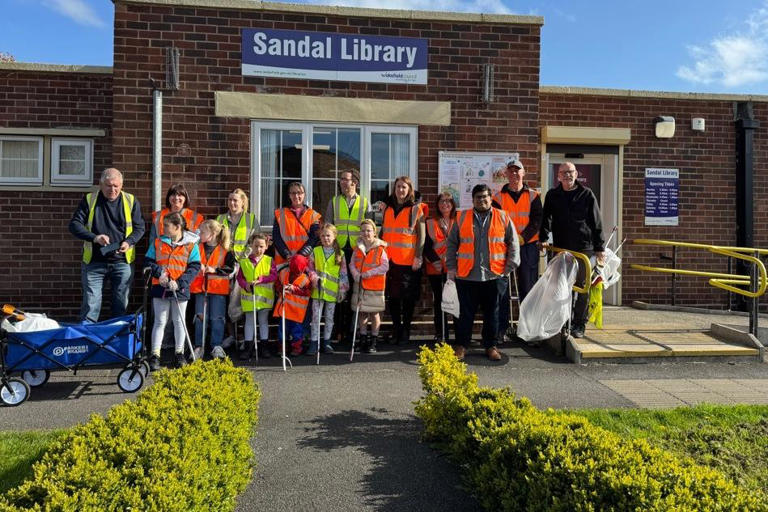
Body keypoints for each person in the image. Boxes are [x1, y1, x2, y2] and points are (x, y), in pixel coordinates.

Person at [446, 184, 520, 361]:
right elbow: (451, 244)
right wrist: (452, 268)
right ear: (473, 200)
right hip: (467, 275)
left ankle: (490, 346)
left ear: (490, 198)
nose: (482, 200)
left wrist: (508, 268)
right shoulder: (461, 217)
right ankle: (461, 346)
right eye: (478, 197)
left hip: (494, 275)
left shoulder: (503, 217)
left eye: (485, 196)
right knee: (464, 313)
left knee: (492, 313)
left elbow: (514, 244)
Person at [69, 167, 146, 323]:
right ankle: (87, 339)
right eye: (109, 185)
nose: (113, 189)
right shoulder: (89, 200)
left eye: (116, 186)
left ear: (122, 185)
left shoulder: (131, 201)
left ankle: (117, 340)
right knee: (91, 305)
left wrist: (128, 242)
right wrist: (95, 238)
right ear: (101, 184)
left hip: (122, 262)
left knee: (121, 305)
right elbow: (74, 225)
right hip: (94, 262)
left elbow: (140, 228)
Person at [539, 161, 605, 339]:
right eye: (564, 172)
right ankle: (562, 322)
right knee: (561, 287)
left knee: (582, 288)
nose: (567, 175)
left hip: (585, 249)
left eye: (571, 172)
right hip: (562, 248)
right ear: (558, 176)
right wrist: (543, 238)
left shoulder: (586, 194)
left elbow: (596, 221)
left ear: (576, 174)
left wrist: (600, 248)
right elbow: (546, 218)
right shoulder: (553, 195)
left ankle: (579, 324)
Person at [492, 159, 543, 340]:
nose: (514, 174)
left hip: (528, 246)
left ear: (523, 173)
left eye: (517, 171)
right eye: (511, 171)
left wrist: (523, 238)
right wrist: (511, 240)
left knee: (528, 289)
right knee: (501, 289)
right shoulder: (497, 197)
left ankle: (527, 331)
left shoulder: (534, 196)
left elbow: (537, 221)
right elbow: (496, 222)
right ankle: (501, 330)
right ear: (506, 174)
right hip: (505, 247)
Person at [145, 212, 201, 369]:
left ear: (177, 227)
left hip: (179, 289)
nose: (163, 228)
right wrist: (159, 273)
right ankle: (155, 355)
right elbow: (148, 261)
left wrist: (180, 283)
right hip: (160, 287)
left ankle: (179, 353)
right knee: (160, 321)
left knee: (179, 321)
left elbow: (194, 266)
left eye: (166, 225)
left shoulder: (191, 245)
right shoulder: (158, 242)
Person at [324, 169, 371, 343]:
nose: (343, 182)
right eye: (341, 179)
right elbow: (328, 227)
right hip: (338, 251)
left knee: (354, 292)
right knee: (337, 291)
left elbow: (370, 229)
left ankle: (352, 332)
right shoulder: (334, 202)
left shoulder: (364, 203)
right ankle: (338, 330)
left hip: (357, 252)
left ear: (355, 182)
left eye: (346, 179)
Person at [380, 176, 426, 344]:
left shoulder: (416, 209)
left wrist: (418, 257)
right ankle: (396, 330)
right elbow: (382, 232)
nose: (400, 190)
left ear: (409, 190)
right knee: (393, 298)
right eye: (398, 187)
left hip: (408, 262)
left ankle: (405, 332)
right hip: (389, 261)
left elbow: (422, 236)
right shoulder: (387, 208)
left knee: (407, 299)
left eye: (404, 187)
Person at [190, 220, 236, 360]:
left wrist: (214, 270)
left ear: (213, 234)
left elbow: (230, 269)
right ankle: (199, 346)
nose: (200, 234)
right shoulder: (196, 248)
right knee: (200, 317)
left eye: (203, 232)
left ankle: (216, 345)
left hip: (217, 289)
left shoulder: (226, 250)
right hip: (200, 288)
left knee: (218, 318)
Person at [308, 224, 349, 355]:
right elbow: (309, 268)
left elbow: (343, 273)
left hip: (331, 292)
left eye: (328, 235)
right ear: (320, 237)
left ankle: (327, 342)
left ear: (334, 236)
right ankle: (314, 343)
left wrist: (343, 290)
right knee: (316, 318)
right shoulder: (316, 251)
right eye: (323, 235)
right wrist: (313, 277)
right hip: (318, 291)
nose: (326, 238)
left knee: (330, 318)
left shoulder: (340, 254)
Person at [349, 219, 389, 353]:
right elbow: (352, 263)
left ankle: (374, 340)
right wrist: (355, 274)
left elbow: (385, 266)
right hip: (360, 285)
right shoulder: (357, 248)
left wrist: (369, 273)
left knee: (374, 313)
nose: (366, 233)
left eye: (369, 230)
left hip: (374, 286)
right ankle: (363, 338)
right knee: (362, 313)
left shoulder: (380, 248)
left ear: (374, 232)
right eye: (363, 230)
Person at [237, 233, 277, 360]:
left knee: (263, 322)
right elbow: (240, 278)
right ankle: (248, 348)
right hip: (249, 298)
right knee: (249, 322)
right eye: (256, 246)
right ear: (251, 246)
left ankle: (264, 347)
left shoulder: (269, 260)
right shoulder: (244, 262)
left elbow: (273, 276)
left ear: (266, 247)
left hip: (264, 299)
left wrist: (261, 279)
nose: (258, 249)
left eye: (261, 246)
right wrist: (245, 285)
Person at [423, 192, 457, 343]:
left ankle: (459, 334)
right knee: (439, 301)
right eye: (442, 201)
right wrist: (435, 261)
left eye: (448, 201)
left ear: (452, 204)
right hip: (436, 268)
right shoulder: (431, 222)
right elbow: (426, 247)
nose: (445, 204)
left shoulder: (459, 220)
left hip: (455, 269)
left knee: (456, 300)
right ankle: (441, 333)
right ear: (437, 205)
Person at [272, 182, 322, 267]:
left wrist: (301, 255)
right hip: (283, 261)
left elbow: (314, 238)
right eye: (293, 193)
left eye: (299, 193)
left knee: (302, 280)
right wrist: (286, 254)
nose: (296, 196)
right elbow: (276, 237)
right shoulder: (280, 213)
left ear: (304, 194)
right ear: (289, 195)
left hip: (304, 261)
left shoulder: (313, 215)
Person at [274, 254, 312, 356]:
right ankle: (283, 348)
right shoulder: (284, 273)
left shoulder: (305, 279)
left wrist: (294, 289)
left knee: (296, 331)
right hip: (285, 309)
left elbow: (308, 292)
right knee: (283, 330)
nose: (297, 272)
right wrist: (280, 289)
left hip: (296, 312)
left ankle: (296, 348)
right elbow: (277, 284)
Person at [217, 188, 260, 260]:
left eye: (235, 200)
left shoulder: (251, 219)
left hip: (245, 261)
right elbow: (215, 241)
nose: (231, 203)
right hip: (224, 261)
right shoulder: (220, 218)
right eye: (230, 200)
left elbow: (255, 242)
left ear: (242, 202)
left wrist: (243, 259)